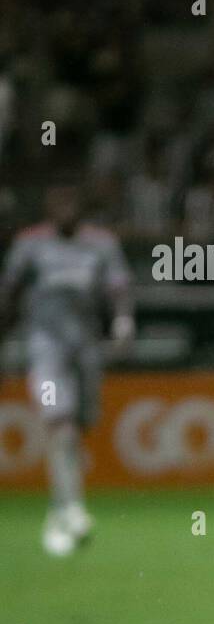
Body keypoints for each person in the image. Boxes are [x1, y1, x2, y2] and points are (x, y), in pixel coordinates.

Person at [0, 180, 134, 556]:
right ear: (48, 206)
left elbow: (118, 287)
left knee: (79, 424)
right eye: (57, 201)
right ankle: (70, 507)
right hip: (45, 347)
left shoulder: (101, 244)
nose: (65, 209)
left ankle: (62, 507)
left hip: (87, 349)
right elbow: (9, 292)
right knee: (57, 420)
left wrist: (123, 321)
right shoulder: (30, 243)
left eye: (70, 201)